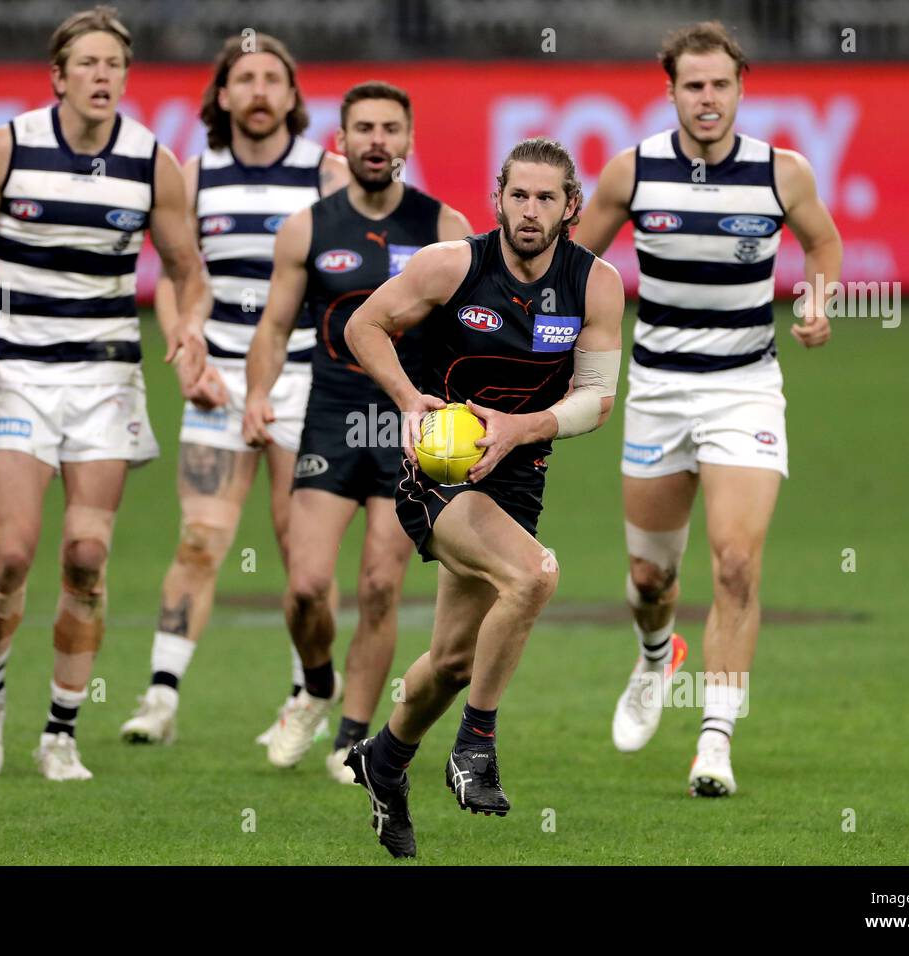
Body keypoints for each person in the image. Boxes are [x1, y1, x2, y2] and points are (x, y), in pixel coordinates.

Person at [0, 5, 210, 781]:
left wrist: (190, 325)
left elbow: (189, 270)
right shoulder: (9, 146)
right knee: (14, 555)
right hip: (21, 374)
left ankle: (59, 731)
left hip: (106, 381)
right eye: (86, 64)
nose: (102, 76)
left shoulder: (152, 161)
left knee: (86, 558)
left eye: (113, 65)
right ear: (57, 76)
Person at [574, 20, 841, 796]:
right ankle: (657, 656)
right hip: (657, 392)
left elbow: (823, 246)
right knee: (650, 578)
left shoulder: (780, 173)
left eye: (720, 84)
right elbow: (579, 265)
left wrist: (817, 299)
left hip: (744, 387)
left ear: (740, 88)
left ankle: (715, 740)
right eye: (693, 85)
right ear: (671, 91)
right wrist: (569, 350)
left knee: (734, 562)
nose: (707, 98)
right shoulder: (633, 171)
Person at [341, 138, 624, 857]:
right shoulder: (451, 265)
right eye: (518, 195)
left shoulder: (596, 284)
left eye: (546, 199)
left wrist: (522, 427)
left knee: (452, 660)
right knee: (534, 575)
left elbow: (597, 399)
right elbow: (362, 324)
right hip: (437, 472)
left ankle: (386, 759)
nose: (530, 212)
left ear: (572, 207)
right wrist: (408, 400)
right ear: (498, 196)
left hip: (518, 476)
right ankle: (475, 746)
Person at [119, 33, 351, 746]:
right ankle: (159, 696)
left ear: (291, 95)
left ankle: (303, 695)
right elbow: (177, 278)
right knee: (200, 541)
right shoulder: (193, 177)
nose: (257, 91)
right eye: (243, 79)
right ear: (222, 95)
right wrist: (184, 347)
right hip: (218, 379)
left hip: (305, 379)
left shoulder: (328, 174)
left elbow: (353, 279)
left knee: (300, 551)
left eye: (271, 79)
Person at [242, 81, 472, 781]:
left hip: (412, 428)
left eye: (391, 129)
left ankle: (351, 737)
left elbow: (473, 332)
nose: (377, 140)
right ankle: (315, 685)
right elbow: (276, 326)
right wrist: (256, 393)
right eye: (364, 128)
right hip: (333, 415)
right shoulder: (307, 227)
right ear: (341, 140)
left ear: (408, 141)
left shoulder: (445, 227)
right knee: (308, 585)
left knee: (379, 586)